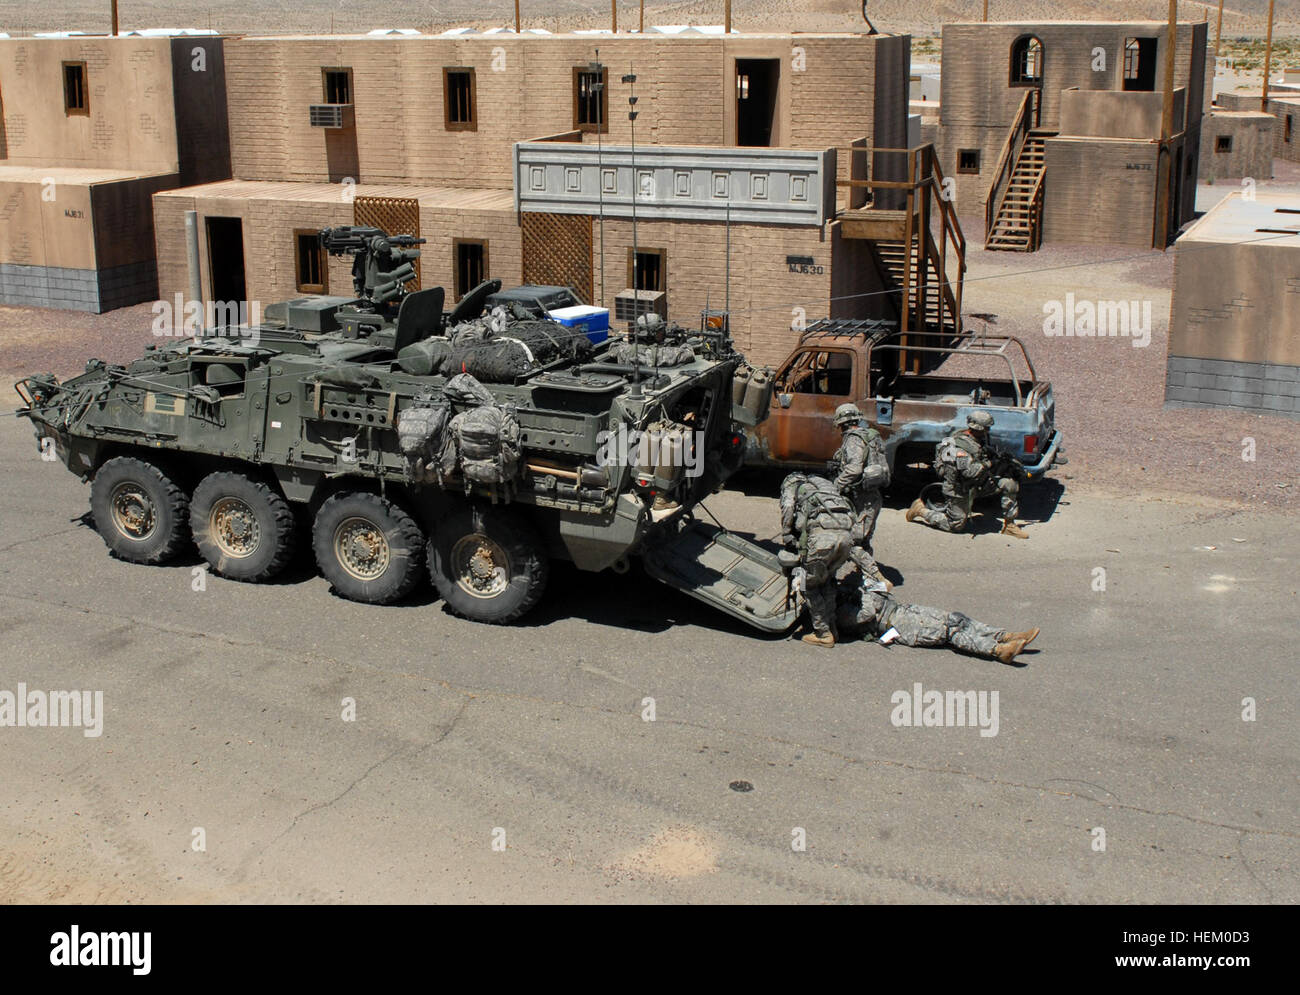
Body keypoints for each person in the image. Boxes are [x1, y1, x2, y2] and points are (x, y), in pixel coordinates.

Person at [835, 574, 1040, 664]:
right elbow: (869, 612)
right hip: (896, 626)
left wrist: (866, 585)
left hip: (904, 609)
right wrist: (866, 591)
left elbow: (883, 587)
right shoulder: (839, 614)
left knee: (956, 619)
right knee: (948, 632)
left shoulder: (846, 592)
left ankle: (1005, 636)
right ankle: (998, 651)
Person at [905, 410, 1028, 538]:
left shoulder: (978, 440)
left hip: (978, 484)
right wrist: (991, 463)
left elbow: (983, 456)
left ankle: (1010, 525)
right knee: (955, 525)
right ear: (976, 428)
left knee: (1010, 484)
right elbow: (970, 472)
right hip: (959, 489)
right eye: (985, 429)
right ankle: (920, 510)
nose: (987, 431)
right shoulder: (959, 448)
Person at [779, 472, 855, 648]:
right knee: (827, 582)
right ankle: (832, 627)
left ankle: (822, 633)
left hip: (822, 538)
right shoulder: (824, 485)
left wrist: (786, 535)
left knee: (808, 585)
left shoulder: (791, 486)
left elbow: (788, 508)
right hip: (846, 536)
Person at [830, 403, 891, 581]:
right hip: (872, 495)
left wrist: (836, 487)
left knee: (852, 541)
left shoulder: (853, 439)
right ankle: (864, 576)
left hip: (862, 498)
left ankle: (876, 578)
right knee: (863, 538)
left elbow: (854, 470)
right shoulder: (871, 435)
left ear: (841, 423)